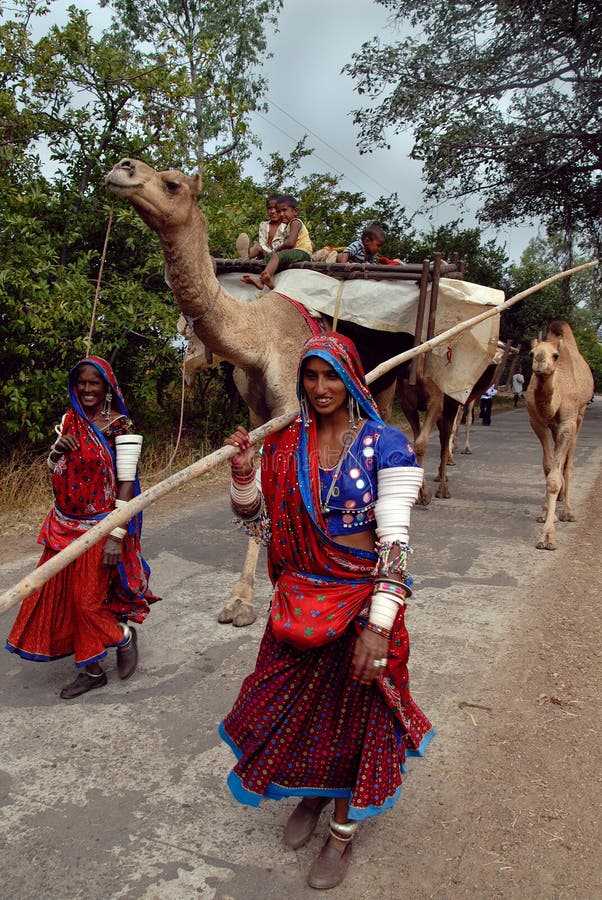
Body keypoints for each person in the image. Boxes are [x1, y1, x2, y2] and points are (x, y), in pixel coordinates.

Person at [220, 332, 433, 890]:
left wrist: (379, 630)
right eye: (311, 376)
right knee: (297, 710)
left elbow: (395, 547)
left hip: (364, 606)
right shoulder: (285, 443)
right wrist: (244, 473)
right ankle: (313, 790)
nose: (320, 388)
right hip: (300, 603)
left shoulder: (386, 444)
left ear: (351, 379)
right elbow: (261, 528)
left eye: (331, 376)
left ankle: (342, 831)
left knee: (359, 719)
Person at [6, 356, 159, 699]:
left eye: (94, 383)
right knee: (59, 596)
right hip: (62, 524)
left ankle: (122, 636)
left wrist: (116, 536)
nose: (87, 389)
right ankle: (91, 670)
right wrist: (57, 450)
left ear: (107, 388)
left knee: (87, 602)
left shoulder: (121, 426)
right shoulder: (69, 421)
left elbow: (126, 485)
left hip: (99, 528)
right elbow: (53, 466)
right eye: (82, 383)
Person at [242, 195, 312, 291]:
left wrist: (278, 249)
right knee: (271, 257)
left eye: (284, 210)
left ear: (295, 211)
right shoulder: (286, 225)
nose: (281, 214)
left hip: (302, 252)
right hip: (295, 252)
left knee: (276, 256)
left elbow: (291, 242)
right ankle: (266, 278)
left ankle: (262, 280)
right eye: (279, 211)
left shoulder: (295, 222)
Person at [236, 194, 287, 261]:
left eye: (276, 208)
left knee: (257, 247)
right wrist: (265, 252)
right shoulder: (263, 225)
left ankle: (247, 256)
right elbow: (262, 243)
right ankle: (246, 255)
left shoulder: (286, 226)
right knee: (257, 246)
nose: (272, 211)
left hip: (279, 255)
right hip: (265, 254)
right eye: (270, 208)